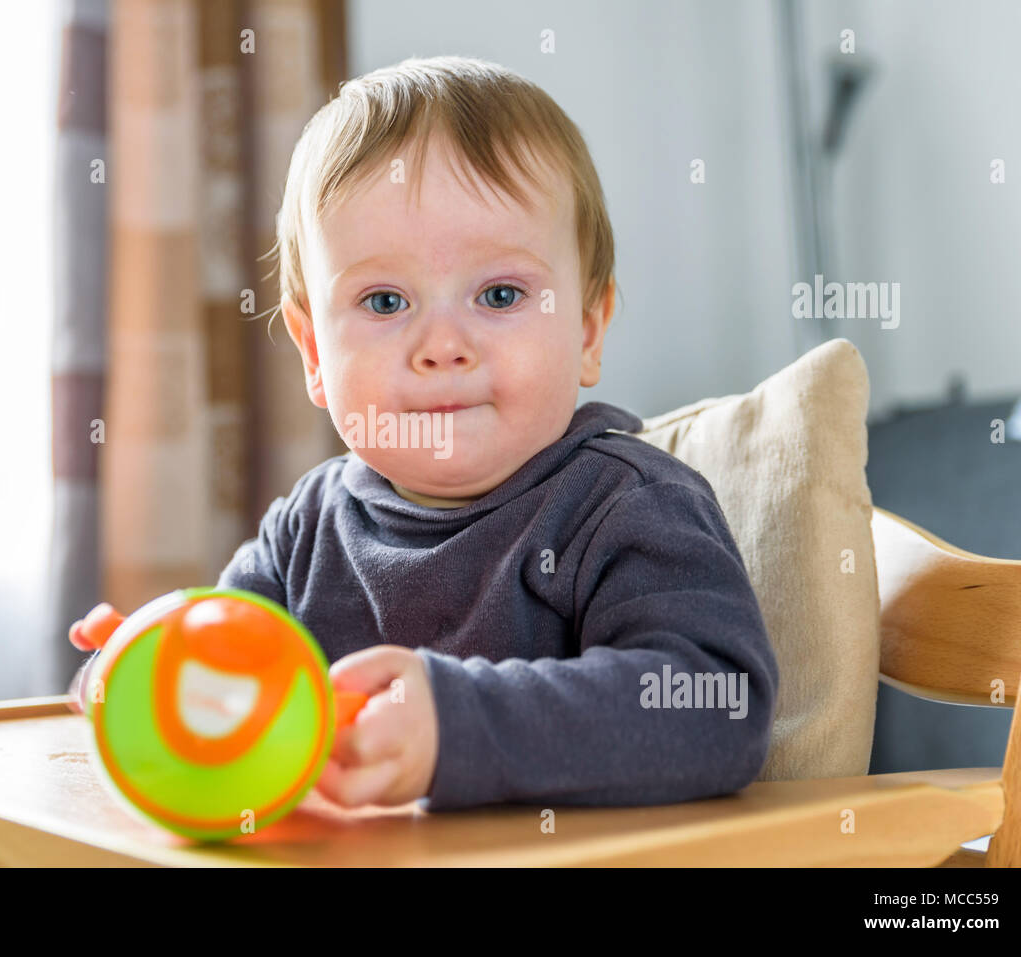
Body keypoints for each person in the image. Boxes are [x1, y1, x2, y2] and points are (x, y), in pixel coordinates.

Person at [72, 55, 778, 815]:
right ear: (314, 355)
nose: (442, 343)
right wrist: (150, 663)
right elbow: (231, 673)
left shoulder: (625, 507)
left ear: (587, 330)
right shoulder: (303, 532)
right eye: (384, 301)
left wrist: (457, 726)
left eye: (500, 294)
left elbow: (719, 707)